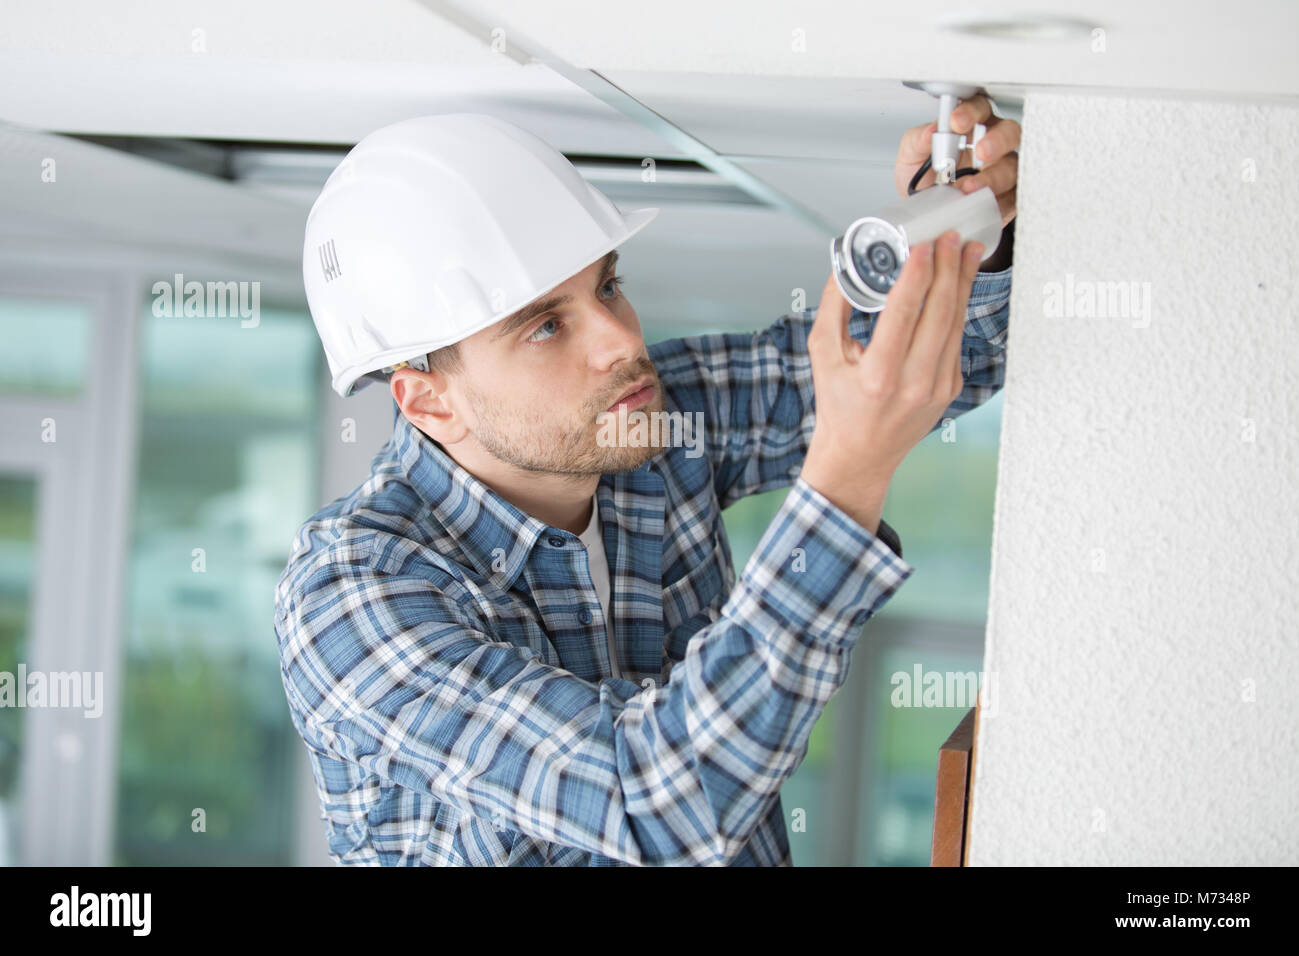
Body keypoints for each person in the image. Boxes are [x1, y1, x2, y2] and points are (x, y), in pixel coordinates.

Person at [275, 101, 1019, 865]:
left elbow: (948, 360)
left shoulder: (647, 420)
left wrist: (959, 234)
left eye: (606, 287)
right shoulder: (352, 596)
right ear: (429, 400)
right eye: (546, 326)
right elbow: (661, 806)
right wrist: (846, 481)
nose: (623, 340)